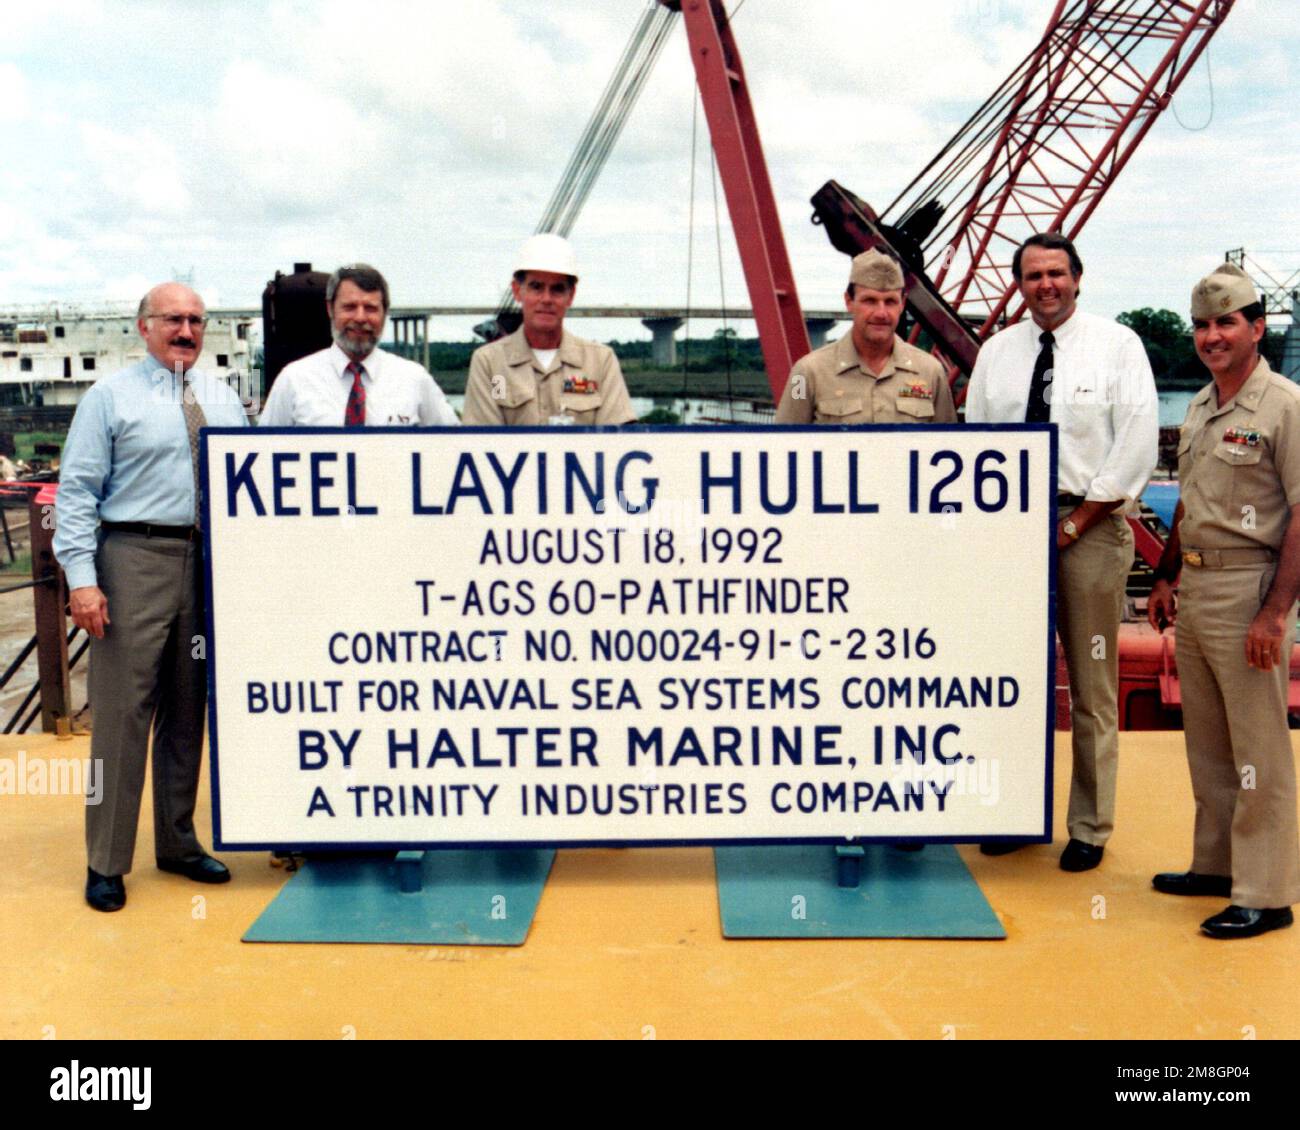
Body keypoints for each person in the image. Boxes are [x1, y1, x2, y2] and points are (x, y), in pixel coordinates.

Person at [966, 233, 1158, 871]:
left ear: (1078, 278)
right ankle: (1015, 813)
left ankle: (1089, 827)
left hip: (1092, 531)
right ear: (1018, 285)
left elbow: (1134, 445)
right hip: (1009, 535)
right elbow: (973, 445)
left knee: (1092, 685)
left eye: (1055, 273)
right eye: (1031, 275)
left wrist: (1074, 523)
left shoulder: (1118, 347)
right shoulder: (997, 354)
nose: (1044, 285)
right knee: (1011, 680)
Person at [55, 283, 248, 911]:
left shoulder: (224, 399)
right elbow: (78, 492)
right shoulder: (108, 398)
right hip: (132, 557)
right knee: (119, 715)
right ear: (144, 327)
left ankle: (178, 842)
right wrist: (82, 580)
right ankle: (106, 860)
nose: (186, 330)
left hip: (205, 562)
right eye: (172, 319)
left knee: (189, 709)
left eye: (196, 320)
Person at [1147, 263, 1300, 938]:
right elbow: (1192, 499)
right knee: (1208, 741)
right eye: (1203, 325)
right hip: (1200, 583)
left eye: (1227, 322)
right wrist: (1165, 574)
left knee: (1258, 748)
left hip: (1249, 588)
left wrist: (1274, 614)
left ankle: (1266, 892)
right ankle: (1215, 865)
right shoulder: (1202, 406)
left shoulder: (1285, 406)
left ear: (1257, 327)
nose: (1212, 336)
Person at [462, 234, 636, 426]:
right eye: (536, 287)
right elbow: (484, 442)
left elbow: (617, 443)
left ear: (571, 296)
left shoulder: (600, 362)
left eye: (557, 289)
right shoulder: (493, 367)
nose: (546, 299)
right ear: (517, 291)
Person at [259, 263, 458, 427]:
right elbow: (263, 456)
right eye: (350, 307)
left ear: (384, 313)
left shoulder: (415, 379)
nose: (360, 317)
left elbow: (455, 448)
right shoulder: (293, 380)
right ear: (330, 309)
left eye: (371, 308)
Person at [775, 248, 956, 424]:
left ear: (902, 304)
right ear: (849, 301)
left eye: (890, 301)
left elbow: (949, 446)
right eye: (869, 301)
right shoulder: (807, 373)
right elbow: (783, 446)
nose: (881, 313)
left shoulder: (931, 372)